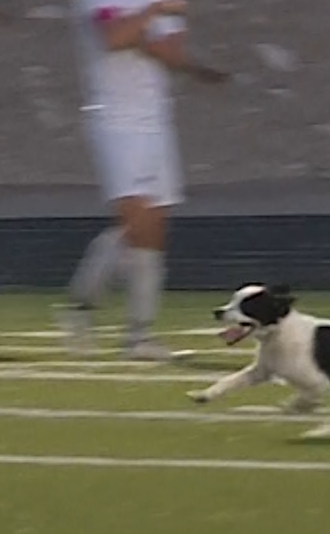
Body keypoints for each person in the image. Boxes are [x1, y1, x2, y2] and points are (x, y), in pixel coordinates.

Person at [59, 0, 226, 361]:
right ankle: (83, 310)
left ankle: (136, 336)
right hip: (115, 121)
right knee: (137, 221)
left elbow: (169, 51)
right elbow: (115, 37)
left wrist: (179, 37)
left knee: (151, 230)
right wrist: (154, 13)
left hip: (155, 119)